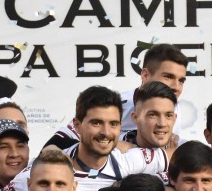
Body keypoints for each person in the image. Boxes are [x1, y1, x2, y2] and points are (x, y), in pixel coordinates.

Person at [45, 44, 188, 149]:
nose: (176, 87)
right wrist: (117, 147)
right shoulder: (113, 105)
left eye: (181, 80)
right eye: (168, 77)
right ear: (145, 75)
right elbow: (54, 145)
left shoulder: (176, 108)